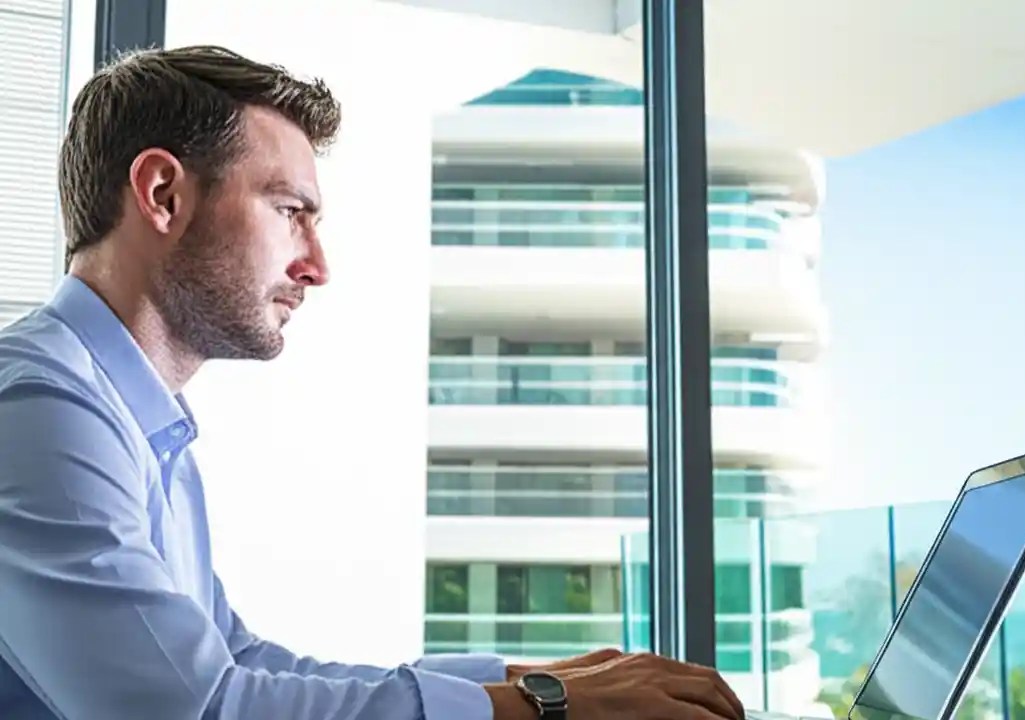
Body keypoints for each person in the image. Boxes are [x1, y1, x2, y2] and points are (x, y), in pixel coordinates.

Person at [0, 45, 745, 720]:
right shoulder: (39, 408)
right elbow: (201, 710)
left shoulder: (138, 425)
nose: (317, 265)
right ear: (163, 193)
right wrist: (543, 707)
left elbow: (241, 663)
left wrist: (526, 676)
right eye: (291, 212)